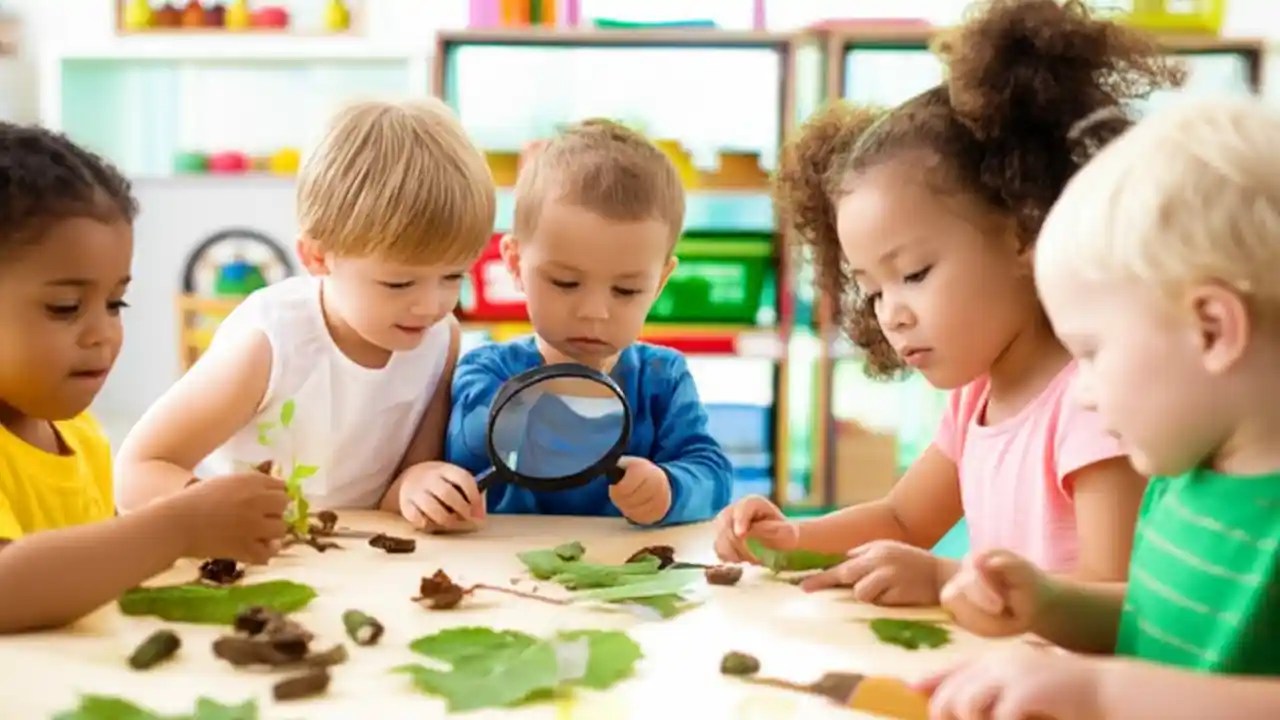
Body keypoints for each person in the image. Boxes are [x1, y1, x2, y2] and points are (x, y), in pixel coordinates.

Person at [713, 0, 1183, 605]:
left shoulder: (1091, 402)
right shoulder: (977, 399)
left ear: (1024, 228)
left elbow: (1116, 598)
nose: (891, 313)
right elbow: (903, 521)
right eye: (873, 289)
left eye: (914, 273)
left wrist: (945, 581)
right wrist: (785, 539)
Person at [923, 96, 1280, 720]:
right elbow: (1160, 626)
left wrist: (1105, 693)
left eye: (1090, 351)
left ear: (1212, 329)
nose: (1081, 390)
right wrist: (1049, 604)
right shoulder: (1181, 483)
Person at [113, 98, 496, 531]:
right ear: (317, 256)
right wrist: (216, 512)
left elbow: (395, 492)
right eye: (399, 284)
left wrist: (418, 484)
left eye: (452, 276)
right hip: (251, 560)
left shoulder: (440, 338)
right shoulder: (271, 342)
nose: (432, 305)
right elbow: (138, 470)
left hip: (351, 561)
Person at [0, 122, 288, 633]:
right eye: (65, 307)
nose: (103, 335)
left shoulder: (80, 435)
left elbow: (92, 572)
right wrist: (177, 527)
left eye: (115, 303)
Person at [430, 119, 733, 530]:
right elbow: (468, 453)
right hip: (503, 574)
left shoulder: (663, 377)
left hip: (624, 578)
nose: (595, 312)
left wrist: (670, 488)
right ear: (515, 264)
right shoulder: (486, 371)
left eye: (626, 290)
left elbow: (712, 473)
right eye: (565, 282)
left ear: (660, 282)